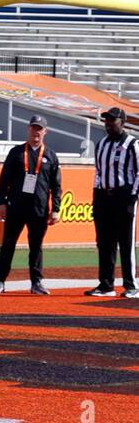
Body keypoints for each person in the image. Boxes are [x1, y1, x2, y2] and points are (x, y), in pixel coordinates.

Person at [0, 115, 60, 296]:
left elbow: (56, 186)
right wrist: (2, 202)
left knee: (36, 246)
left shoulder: (51, 156)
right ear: (28, 129)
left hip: (39, 209)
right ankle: (0, 280)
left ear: (45, 131)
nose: (36, 132)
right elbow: (3, 179)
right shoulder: (16, 152)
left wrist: (56, 209)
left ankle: (36, 282)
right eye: (33, 128)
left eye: (39, 129)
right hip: (16, 207)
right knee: (8, 243)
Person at [85, 107, 139, 298]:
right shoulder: (101, 144)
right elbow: (98, 173)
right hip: (103, 197)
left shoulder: (132, 144)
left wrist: (132, 197)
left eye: (112, 121)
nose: (108, 124)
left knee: (126, 243)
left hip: (124, 196)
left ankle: (131, 285)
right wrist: (96, 198)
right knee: (105, 243)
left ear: (122, 123)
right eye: (106, 120)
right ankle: (106, 285)